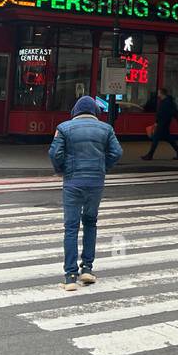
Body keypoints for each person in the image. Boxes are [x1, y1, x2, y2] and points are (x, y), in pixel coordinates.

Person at [48, 95, 123, 291]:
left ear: (75, 112)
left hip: (73, 182)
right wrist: (102, 167)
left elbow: (54, 153)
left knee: (71, 227)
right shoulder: (106, 129)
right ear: (95, 112)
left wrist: (60, 169)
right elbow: (117, 152)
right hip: (95, 183)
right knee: (90, 222)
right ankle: (87, 269)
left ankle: (70, 276)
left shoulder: (64, 128)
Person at [142, 87, 178, 160]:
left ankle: (150, 155)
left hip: (163, 123)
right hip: (164, 123)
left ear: (162, 94)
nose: (158, 94)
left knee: (155, 138)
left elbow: (171, 112)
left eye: (159, 92)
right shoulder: (165, 101)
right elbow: (171, 112)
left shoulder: (167, 102)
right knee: (169, 139)